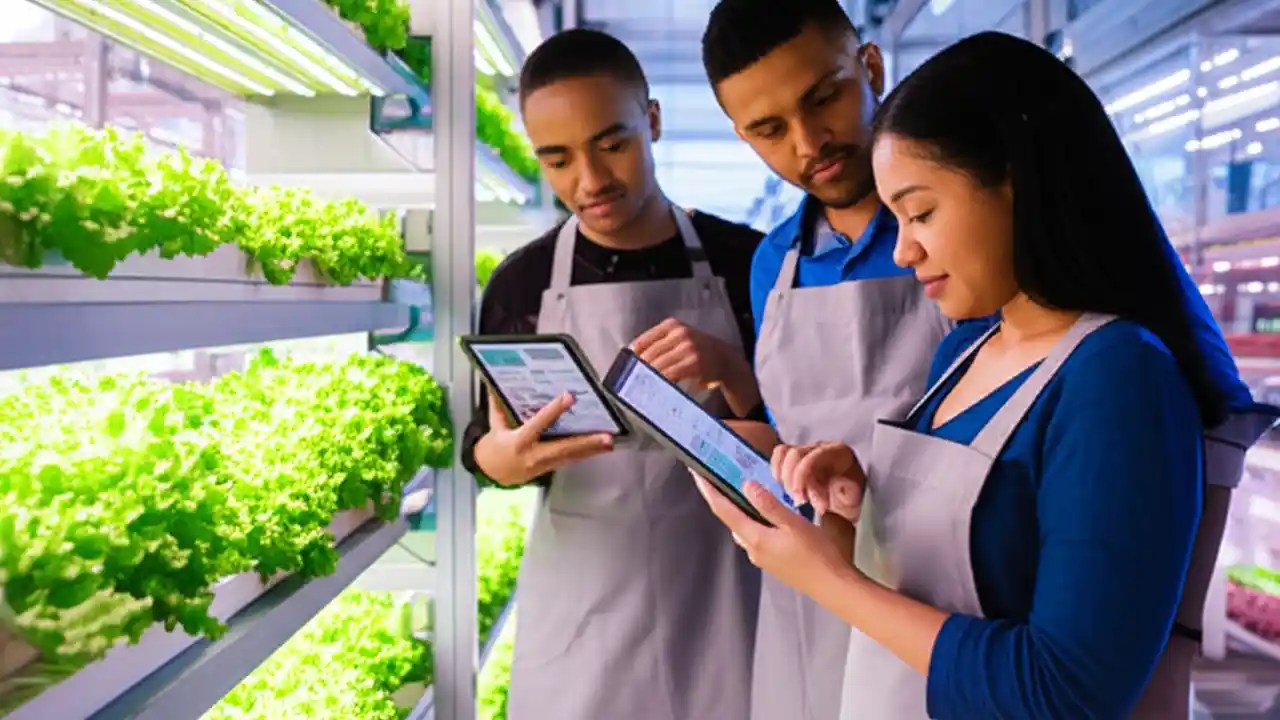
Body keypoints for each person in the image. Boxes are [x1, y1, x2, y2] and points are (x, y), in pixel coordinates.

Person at [690, 31, 1279, 720]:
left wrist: (830, 581)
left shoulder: (1119, 378)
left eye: (921, 212)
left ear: (1017, 182)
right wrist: (856, 500)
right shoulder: (964, 353)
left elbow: (1063, 690)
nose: (904, 248)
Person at [458, 28, 767, 720]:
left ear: (652, 121)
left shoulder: (743, 261)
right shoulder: (524, 283)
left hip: (728, 585)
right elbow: (486, 439)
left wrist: (732, 371)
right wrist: (502, 461)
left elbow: (803, 433)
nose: (590, 181)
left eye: (613, 143)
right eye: (557, 159)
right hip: (586, 602)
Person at [698, 2, 952, 718]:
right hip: (810, 592)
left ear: (870, 69)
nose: (808, 141)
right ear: (742, 136)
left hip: (944, 588)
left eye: (824, 98)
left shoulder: (966, 224)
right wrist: (760, 447)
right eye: (769, 130)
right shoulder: (771, 263)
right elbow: (796, 429)